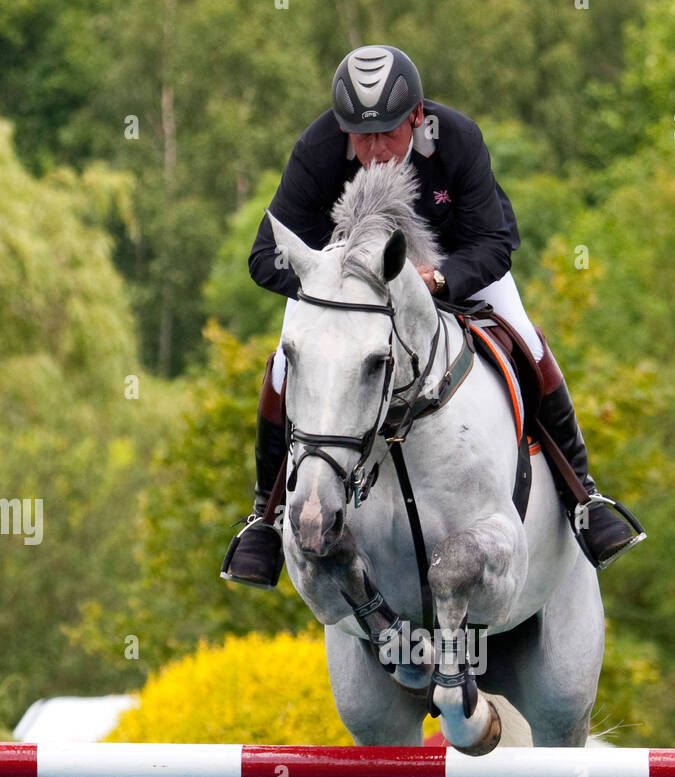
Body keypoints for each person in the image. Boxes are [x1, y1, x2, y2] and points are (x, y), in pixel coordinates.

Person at [222, 44, 643, 589]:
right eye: (360, 134)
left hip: (455, 267)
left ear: (417, 116)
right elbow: (263, 257)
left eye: (388, 133)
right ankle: (266, 513)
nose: (373, 149)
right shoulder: (320, 146)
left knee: (530, 344)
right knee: (285, 363)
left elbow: (493, 245)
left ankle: (584, 495)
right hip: (351, 289)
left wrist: (437, 281)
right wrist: (338, 285)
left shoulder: (458, 138)